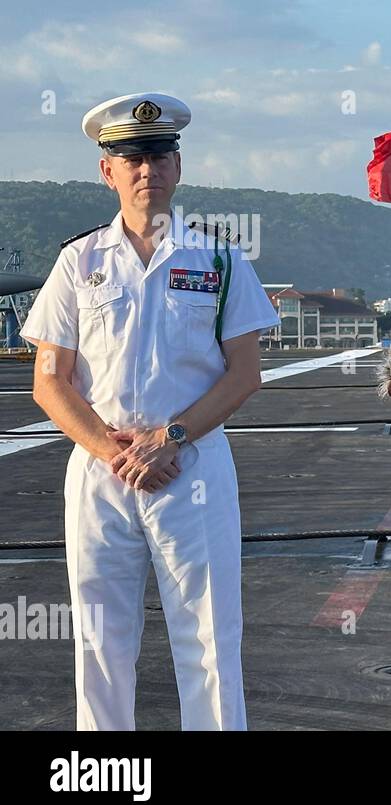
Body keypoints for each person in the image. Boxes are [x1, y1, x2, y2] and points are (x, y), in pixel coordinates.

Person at [22, 92, 280, 730]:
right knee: (100, 646)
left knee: (211, 642)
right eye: (132, 157)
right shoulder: (77, 263)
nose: (149, 169)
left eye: (161, 155)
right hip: (101, 474)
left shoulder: (219, 259)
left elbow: (244, 373)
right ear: (107, 171)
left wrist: (170, 437)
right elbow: (50, 382)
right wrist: (117, 450)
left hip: (190, 467)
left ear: (179, 167)